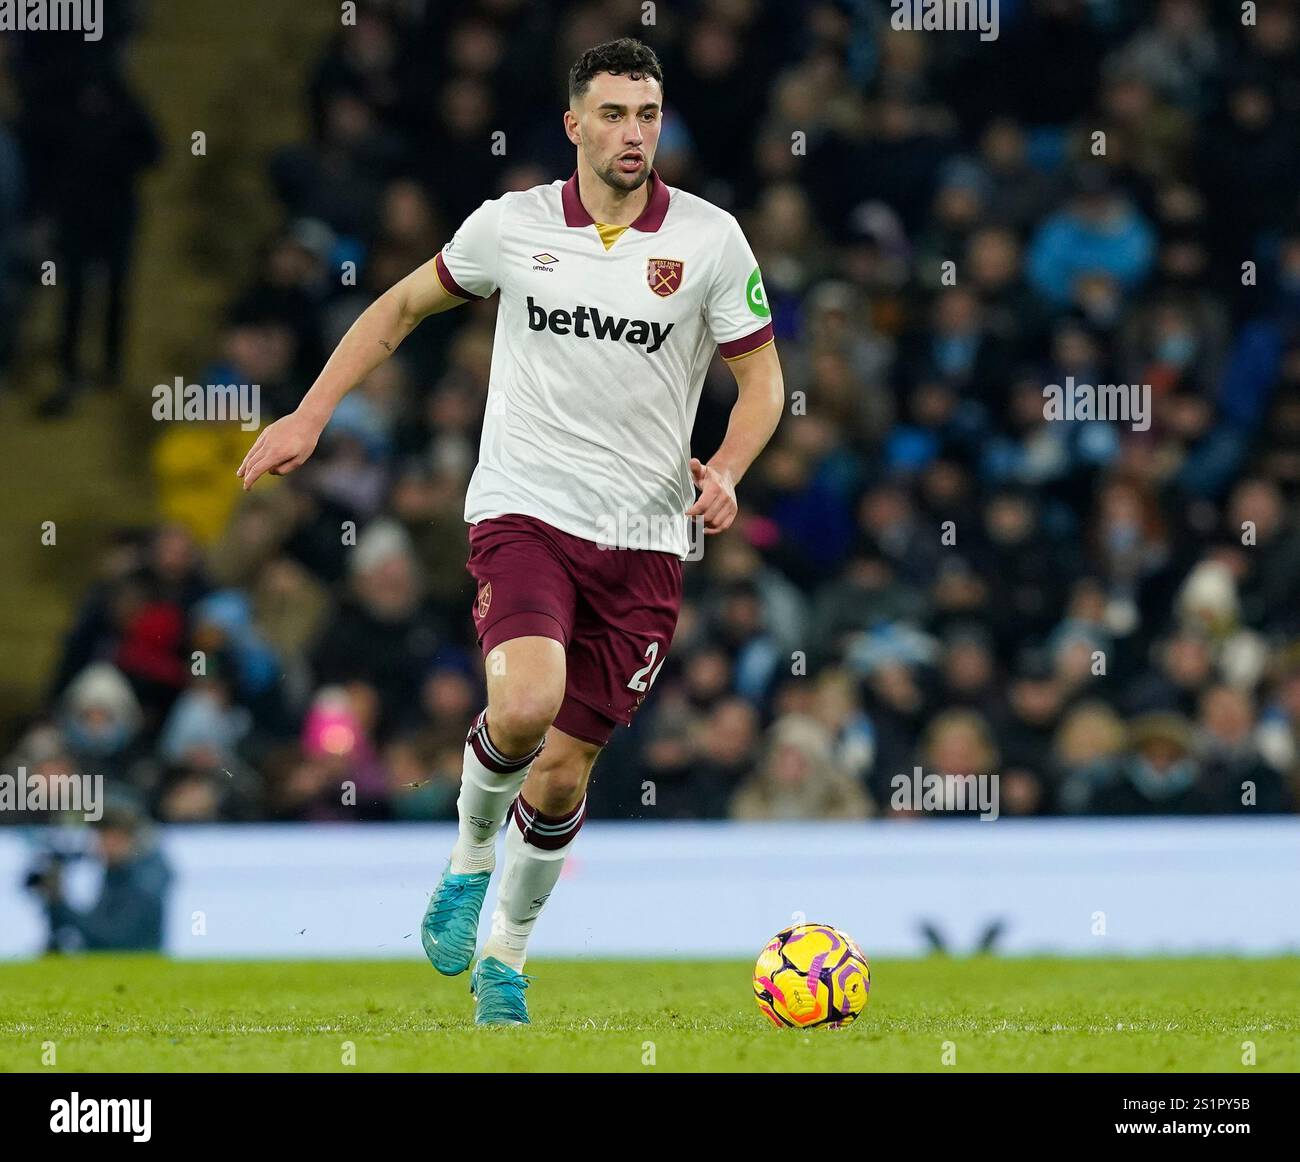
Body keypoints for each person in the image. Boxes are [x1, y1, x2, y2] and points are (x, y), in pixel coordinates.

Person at [236, 38, 785, 1024]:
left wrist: (730, 470)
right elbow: (401, 307)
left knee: (569, 768)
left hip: (648, 538)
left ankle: (506, 960)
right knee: (525, 704)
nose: (633, 133)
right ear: (573, 124)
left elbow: (763, 382)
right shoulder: (513, 226)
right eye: (613, 114)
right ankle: (465, 859)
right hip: (524, 510)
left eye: (648, 114)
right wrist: (309, 414)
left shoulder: (709, 240)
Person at [28, 796, 172, 952]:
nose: (102, 844)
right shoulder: (117, 870)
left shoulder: (146, 878)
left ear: (130, 837)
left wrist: (59, 903)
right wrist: (54, 904)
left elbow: (115, 939)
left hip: (134, 964)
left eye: (110, 836)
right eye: (101, 835)